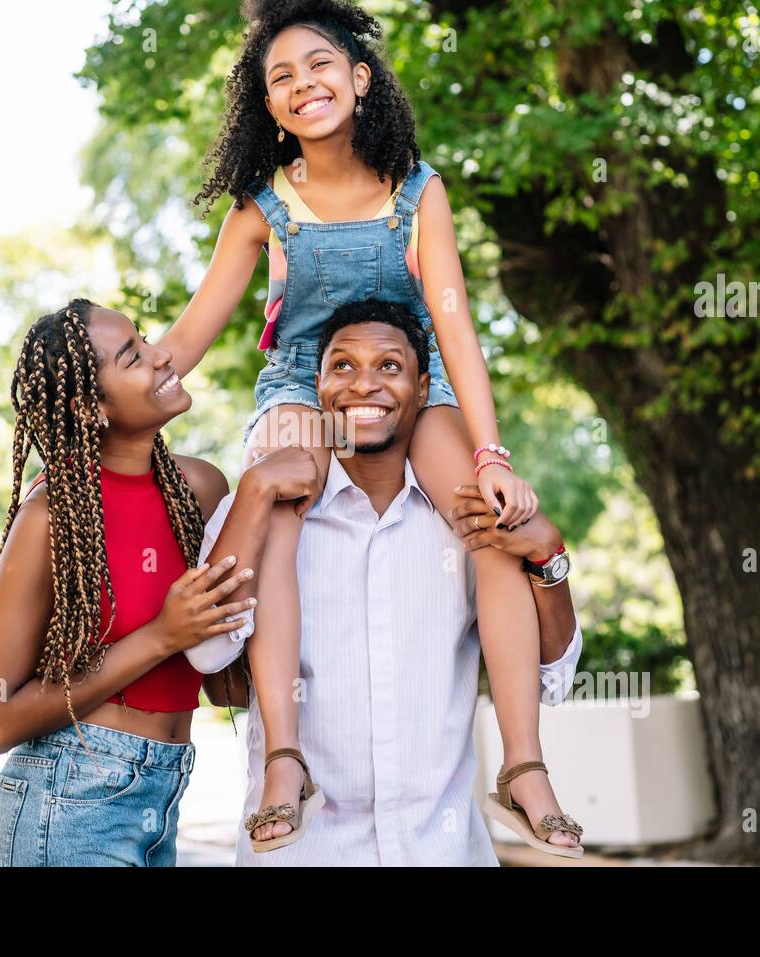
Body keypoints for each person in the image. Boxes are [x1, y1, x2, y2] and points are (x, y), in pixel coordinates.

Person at [158, 0, 575, 852]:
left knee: (486, 517)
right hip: (302, 387)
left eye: (319, 66)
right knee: (283, 495)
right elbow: (188, 338)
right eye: (280, 78)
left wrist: (490, 454)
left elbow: (453, 325)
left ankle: (524, 762)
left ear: (359, 78)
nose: (302, 84)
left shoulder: (419, 191)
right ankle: (284, 752)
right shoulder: (262, 206)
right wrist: (109, 398)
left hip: (403, 379)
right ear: (266, 106)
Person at [188, 300, 586, 865]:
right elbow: (207, 652)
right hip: (302, 855)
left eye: (389, 367)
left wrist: (550, 557)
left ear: (423, 389)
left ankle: (525, 770)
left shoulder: (468, 517)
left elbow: (555, 678)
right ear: (317, 385)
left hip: (442, 850)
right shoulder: (263, 510)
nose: (363, 385)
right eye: (342, 366)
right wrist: (254, 492)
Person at [0, 298, 317, 866]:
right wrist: (161, 636)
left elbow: (220, 678)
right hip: (65, 804)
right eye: (133, 357)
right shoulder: (50, 516)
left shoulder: (201, 489)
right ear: (88, 408)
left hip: (164, 793)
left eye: (146, 340)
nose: (162, 357)